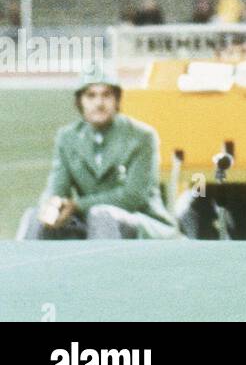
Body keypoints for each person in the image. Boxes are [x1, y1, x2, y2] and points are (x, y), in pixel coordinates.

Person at [20, 65, 177, 240]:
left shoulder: (141, 136)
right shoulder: (68, 137)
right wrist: (51, 207)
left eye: (106, 95)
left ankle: (103, 268)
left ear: (117, 100)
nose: (99, 103)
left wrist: (78, 205)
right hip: (90, 222)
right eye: (91, 95)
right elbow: (57, 186)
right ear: (80, 101)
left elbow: (133, 196)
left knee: (103, 216)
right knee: (34, 217)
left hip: (140, 221)